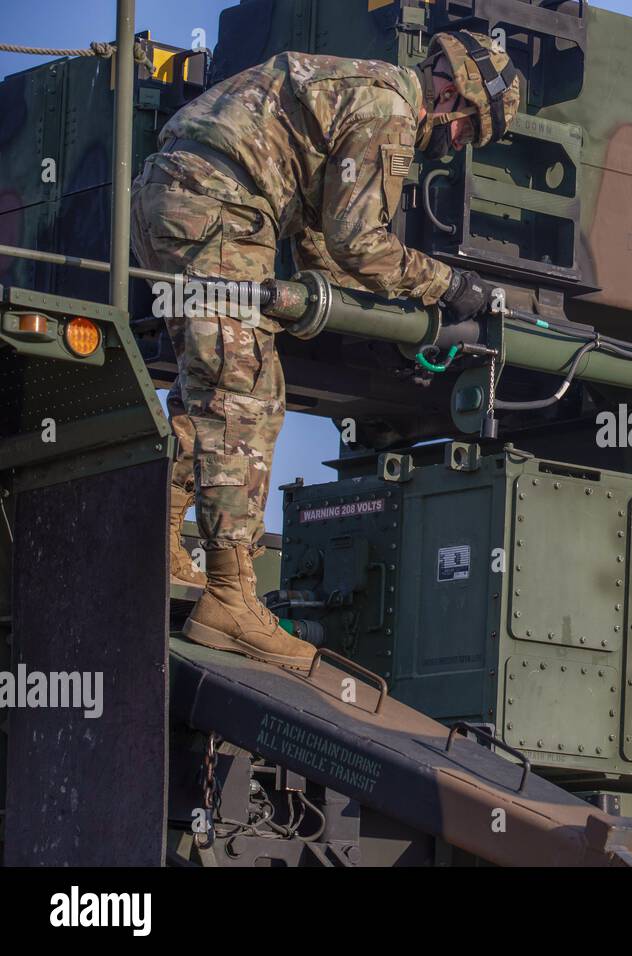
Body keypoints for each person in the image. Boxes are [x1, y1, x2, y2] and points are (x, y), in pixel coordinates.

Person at [131, 31, 518, 669]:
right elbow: (357, 239)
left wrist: (372, 308)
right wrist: (450, 287)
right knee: (243, 395)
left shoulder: (358, 86)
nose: (454, 145)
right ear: (453, 93)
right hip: (221, 207)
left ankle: (159, 540)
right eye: (466, 129)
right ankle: (230, 598)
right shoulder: (394, 109)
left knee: (213, 387)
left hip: (173, 198)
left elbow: (318, 235)